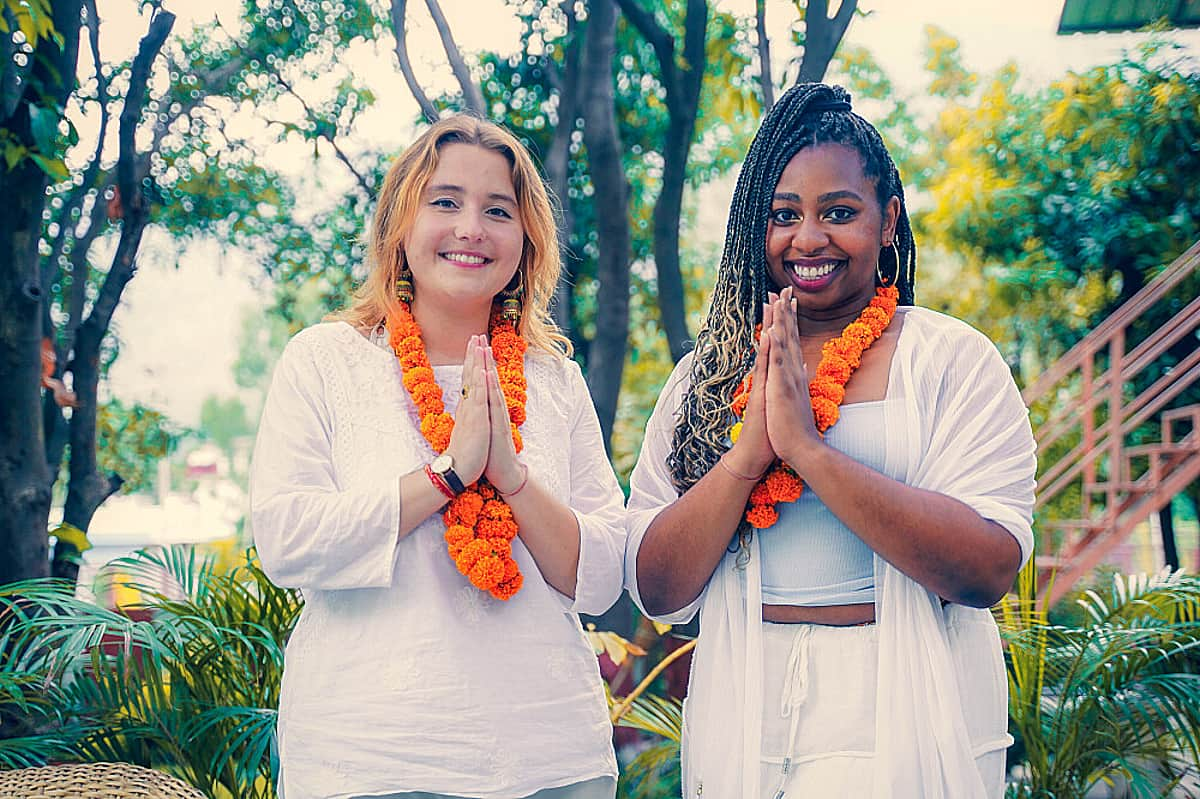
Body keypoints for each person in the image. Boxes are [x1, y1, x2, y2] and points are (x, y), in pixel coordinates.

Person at [624, 83, 1037, 798]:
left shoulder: (950, 360)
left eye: (838, 212)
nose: (807, 238)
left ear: (888, 222)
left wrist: (810, 451)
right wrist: (748, 457)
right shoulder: (709, 376)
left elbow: (987, 567)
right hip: (742, 706)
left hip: (899, 708)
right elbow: (657, 588)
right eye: (783, 215)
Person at [251, 115, 625, 799]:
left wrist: (510, 477)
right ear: (401, 223)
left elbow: (602, 575)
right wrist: (446, 474)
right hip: (371, 756)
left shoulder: (553, 379)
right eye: (445, 201)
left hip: (548, 756)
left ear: (527, 237)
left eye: (498, 210)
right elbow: (286, 540)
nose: (471, 228)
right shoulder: (327, 361)